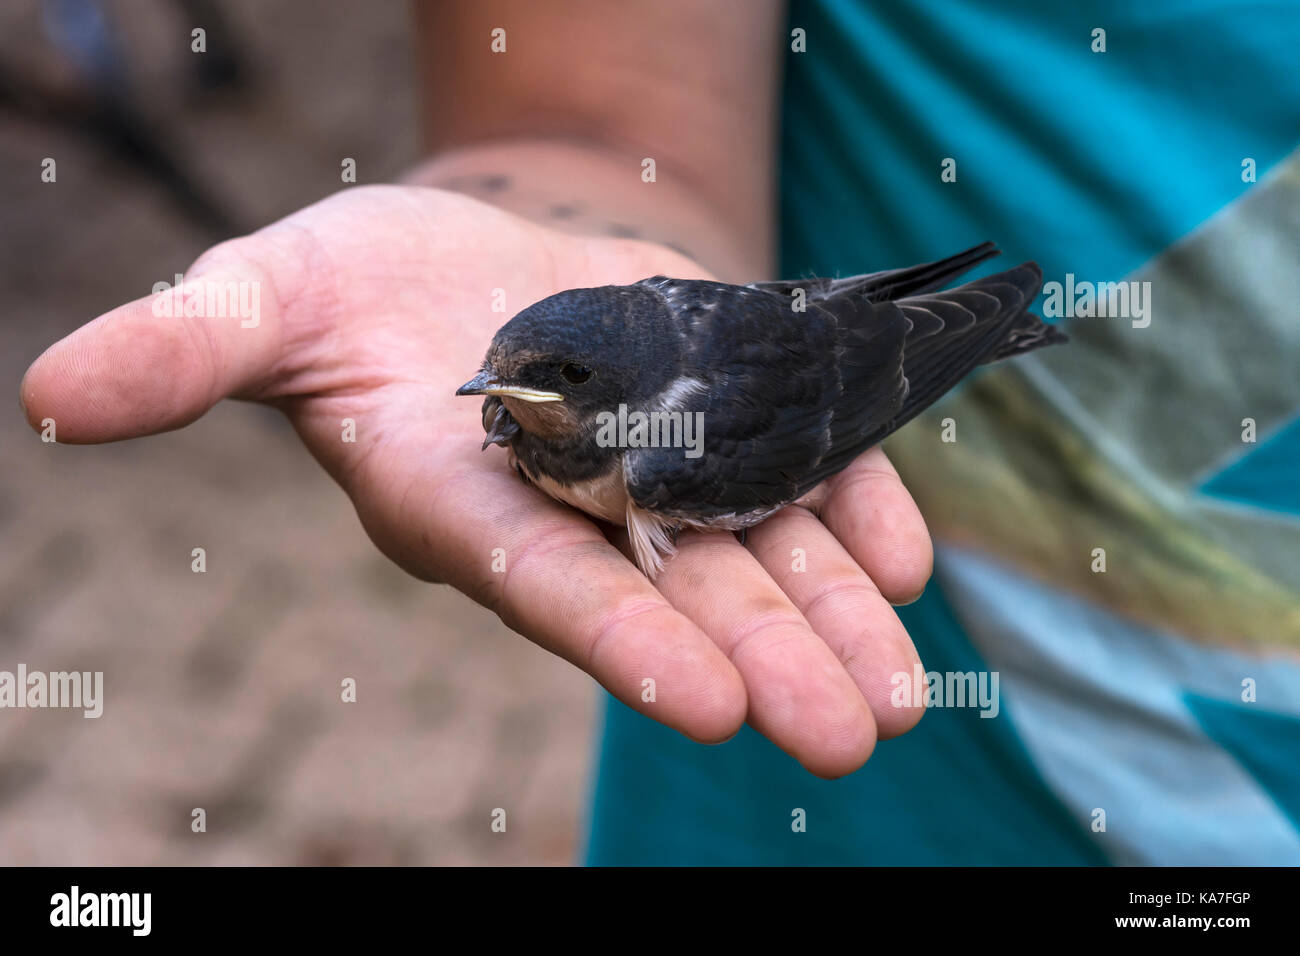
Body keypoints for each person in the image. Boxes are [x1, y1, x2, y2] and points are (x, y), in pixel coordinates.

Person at [21, 1, 1300, 865]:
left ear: (614, 388)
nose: (495, 397)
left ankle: (996, 314)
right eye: (500, 377)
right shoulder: (569, 393)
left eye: (538, 381)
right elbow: (594, 140)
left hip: (851, 366)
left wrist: (948, 322)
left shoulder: (678, 454)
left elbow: (836, 367)